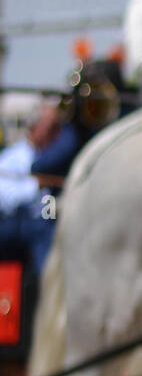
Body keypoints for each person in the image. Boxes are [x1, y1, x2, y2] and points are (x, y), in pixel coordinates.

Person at [0, 103, 65, 278]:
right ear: (35, 127)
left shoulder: (55, 158)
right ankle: (46, 280)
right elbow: (6, 198)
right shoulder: (12, 157)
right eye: (51, 127)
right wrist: (36, 185)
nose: (56, 134)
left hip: (48, 218)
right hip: (17, 221)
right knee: (41, 229)